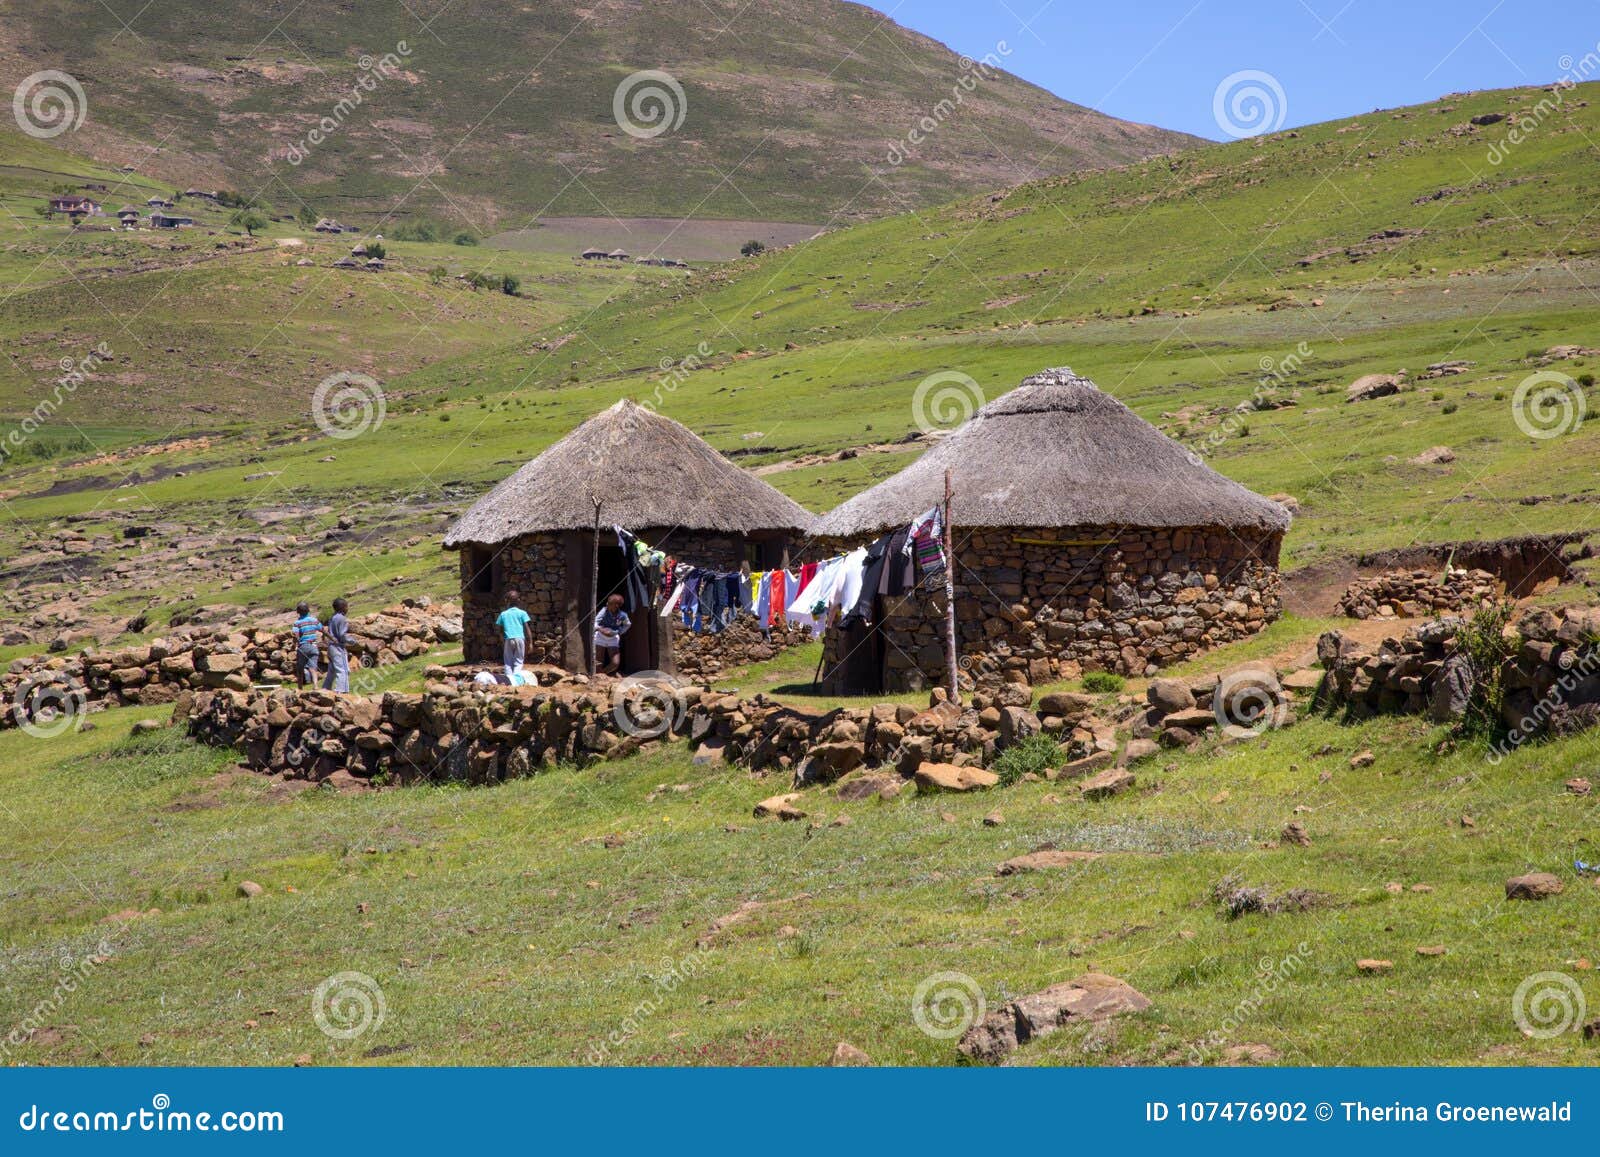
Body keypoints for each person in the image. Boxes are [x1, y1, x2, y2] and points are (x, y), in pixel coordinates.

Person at [496, 589, 532, 683]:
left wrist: (502, 641)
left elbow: (499, 630)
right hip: (520, 638)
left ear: (506, 601)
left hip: (508, 639)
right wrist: (530, 642)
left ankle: (508, 680)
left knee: (508, 662)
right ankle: (517, 681)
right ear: (519, 600)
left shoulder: (503, 614)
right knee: (519, 661)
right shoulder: (522, 613)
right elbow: (527, 629)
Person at [593, 592, 631, 675]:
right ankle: (598, 677)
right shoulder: (604, 611)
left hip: (613, 639)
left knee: (615, 663)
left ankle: (602, 674)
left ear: (616, 606)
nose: (607, 604)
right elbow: (595, 622)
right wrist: (600, 629)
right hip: (600, 637)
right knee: (598, 662)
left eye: (610, 603)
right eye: (608, 602)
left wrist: (619, 632)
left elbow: (627, 625)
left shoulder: (622, 615)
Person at [322, 597, 352, 692]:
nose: (347, 608)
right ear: (342, 607)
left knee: (332, 671)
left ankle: (325, 689)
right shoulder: (342, 618)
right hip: (338, 647)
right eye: (346, 606)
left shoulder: (332, 617)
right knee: (343, 670)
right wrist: (353, 641)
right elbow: (342, 635)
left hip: (331, 647)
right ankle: (342, 691)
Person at [292, 602, 322, 688]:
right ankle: (315, 685)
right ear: (308, 610)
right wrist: (332, 639)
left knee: (300, 668)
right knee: (313, 668)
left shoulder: (297, 623)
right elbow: (322, 630)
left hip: (303, 646)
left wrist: (295, 644)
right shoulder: (314, 620)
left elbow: (296, 635)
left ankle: (300, 687)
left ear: (298, 612)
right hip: (313, 646)